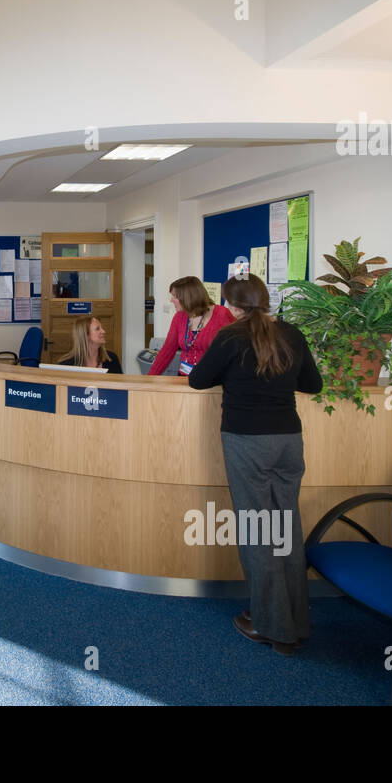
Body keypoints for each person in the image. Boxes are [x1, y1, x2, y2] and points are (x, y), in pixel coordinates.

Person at [187, 273, 322, 656]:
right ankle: (295, 620)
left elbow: (198, 380)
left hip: (248, 442)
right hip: (288, 442)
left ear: (231, 306)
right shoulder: (291, 333)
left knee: (257, 529)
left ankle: (270, 625)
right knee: (285, 524)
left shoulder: (231, 336)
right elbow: (314, 385)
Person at [147, 276, 233, 376]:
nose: (171, 300)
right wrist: (150, 378)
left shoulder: (222, 314)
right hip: (184, 376)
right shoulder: (179, 317)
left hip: (212, 379)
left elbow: (236, 349)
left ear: (187, 296)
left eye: (175, 296)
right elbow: (167, 351)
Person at [58, 316, 123, 373]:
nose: (103, 331)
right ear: (85, 335)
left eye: (102, 328)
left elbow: (121, 385)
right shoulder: (66, 364)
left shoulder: (111, 359)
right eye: (97, 329)